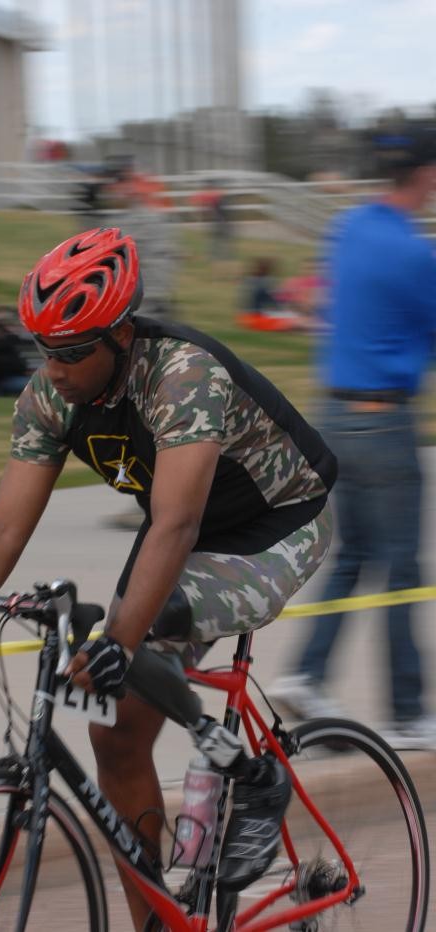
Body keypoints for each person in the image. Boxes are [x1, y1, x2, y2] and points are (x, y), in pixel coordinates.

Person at [0, 227, 337, 929]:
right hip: (180, 530)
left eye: (71, 352)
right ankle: (156, 920)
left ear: (121, 334)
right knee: (112, 731)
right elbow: (3, 526)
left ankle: (255, 775)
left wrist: (121, 640)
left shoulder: (182, 376)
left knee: (138, 631)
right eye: (43, 349)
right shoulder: (49, 398)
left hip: (276, 525)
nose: (54, 369)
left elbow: (177, 524)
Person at [268, 124, 436, 747]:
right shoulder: (416, 253)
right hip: (385, 422)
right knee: (402, 570)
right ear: (426, 175)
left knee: (355, 555)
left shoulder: (345, 230)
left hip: (333, 419)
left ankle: (306, 674)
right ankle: (407, 712)